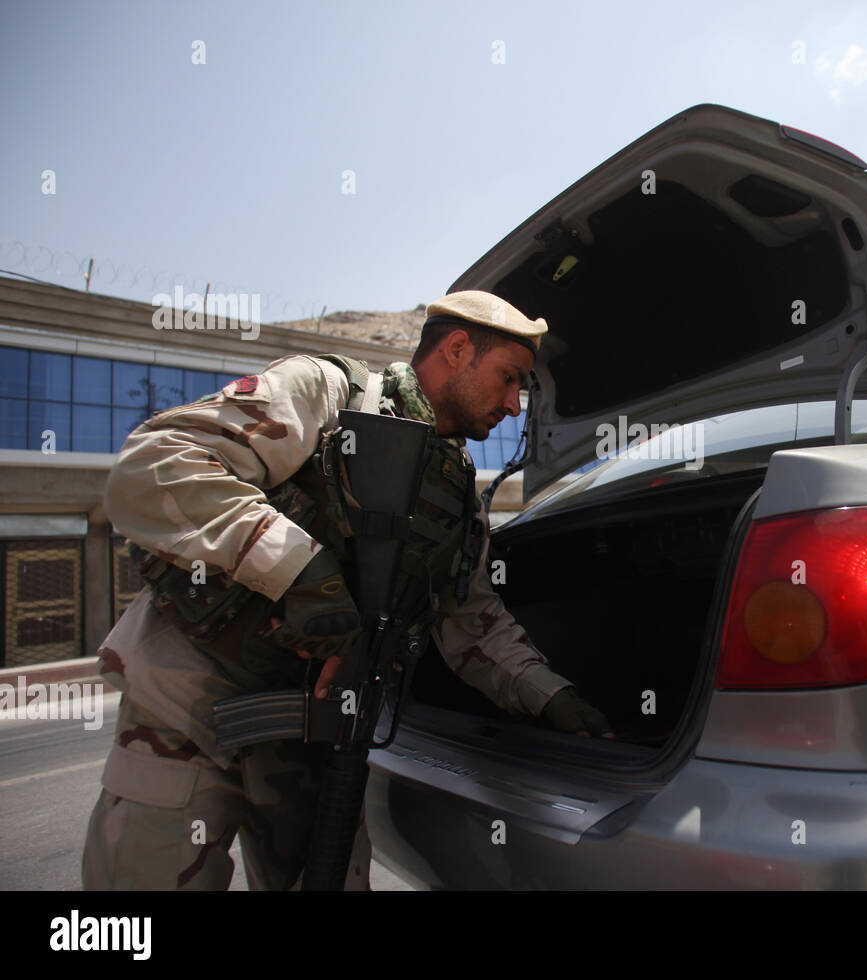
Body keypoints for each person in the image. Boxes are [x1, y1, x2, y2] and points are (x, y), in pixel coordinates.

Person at [82, 289, 611, 890]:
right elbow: (158, 463)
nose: (516, 406)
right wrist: (299, 573)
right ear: (458, 349)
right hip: (189, 706)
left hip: (317, 737)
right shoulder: (327, 394)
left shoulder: (457, 492)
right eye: (509, 378)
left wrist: (551, 697)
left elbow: (471, 621)